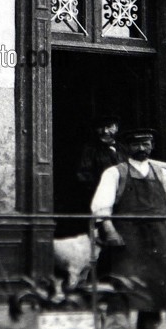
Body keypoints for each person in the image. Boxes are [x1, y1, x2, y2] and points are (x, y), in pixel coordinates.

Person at [90, 129, 166, 329]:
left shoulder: (162, 173)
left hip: (158, 235)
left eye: (146, 144)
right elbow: (101, 206)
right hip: (128, 237)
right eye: (136, 144)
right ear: (128, 148)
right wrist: (110, 230)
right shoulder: (115, 173)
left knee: (157, 281)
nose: (142, 148)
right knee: (123, 282)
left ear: (152, 146)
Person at [53, 116, 122, 288]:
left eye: (109, 126)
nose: (105, 131)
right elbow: (82, 175)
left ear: (117, 127)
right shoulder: (90, 150)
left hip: (121, 205)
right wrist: (101, 189)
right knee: (97, 243)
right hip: (97, 203)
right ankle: (93, 281)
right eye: (101, 127)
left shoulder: (123, 149)